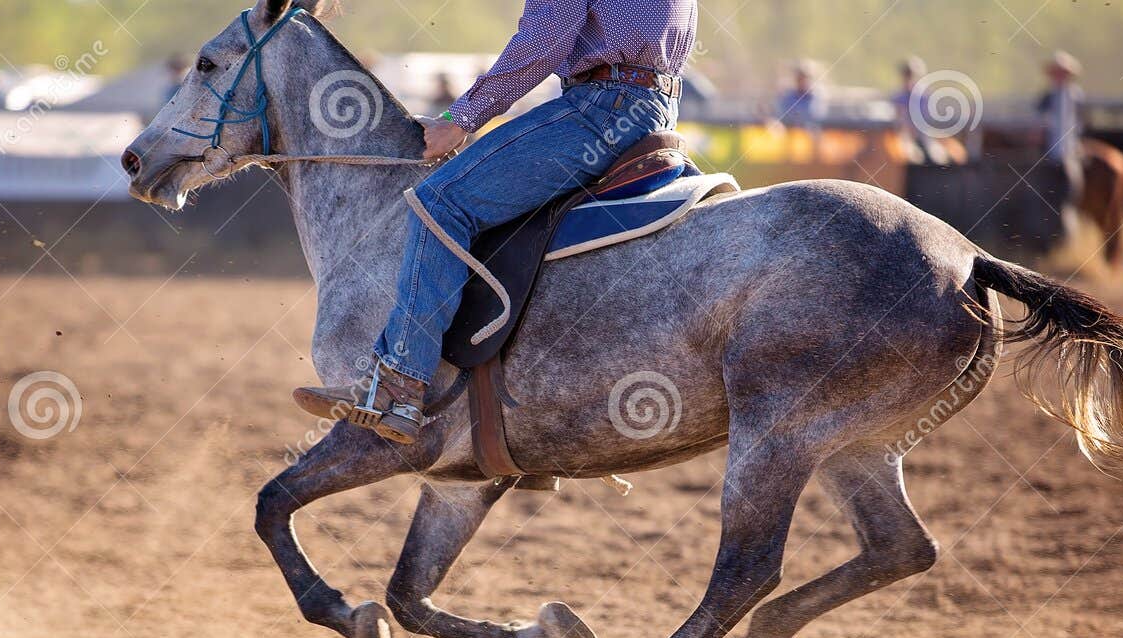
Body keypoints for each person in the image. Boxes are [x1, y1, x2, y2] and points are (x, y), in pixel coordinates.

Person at [294, 0, 697, 444]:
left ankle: (400, 384)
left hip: (600, 109)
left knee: (441, 201)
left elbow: (543, 41)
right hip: (653, 108)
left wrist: (460, 119)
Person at [1036, 50, 1084, 204]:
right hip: (1049, 146)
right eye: (1057, 73)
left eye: (1062, 73)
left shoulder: (1076, 96)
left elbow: (1081, 122)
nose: (1059, 76)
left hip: (1071, 145)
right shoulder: (1046, 97)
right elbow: (1039, 121)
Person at [775, 61, 825, 129]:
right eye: (800, 78)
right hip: (792, 132)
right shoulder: (788, 98)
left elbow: (818, 117)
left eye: (805, 78)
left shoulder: (817, 98)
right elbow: (783, 116)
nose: (803, 81)